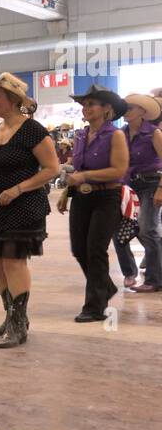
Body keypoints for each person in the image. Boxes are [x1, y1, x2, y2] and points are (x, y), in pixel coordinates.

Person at [0, 73, 59, 348]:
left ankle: (19, 325)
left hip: (24, 206)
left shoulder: (34, 131)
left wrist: (19, 188)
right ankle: (11, 315)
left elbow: (52, 169)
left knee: (13, 260)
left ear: (13, 100)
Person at [57, 85, 130, 322]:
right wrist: (67, 191)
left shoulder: (115, 135)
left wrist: (85, 177)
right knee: (79, 249)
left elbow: (118, 170)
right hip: (81, 197)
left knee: (95, 250)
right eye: (84, 104)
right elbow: (77, 170)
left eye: (91, 104)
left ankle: (94, 306)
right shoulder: (80, 135)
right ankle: (105, 286)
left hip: (107, 198)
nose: (86, 108)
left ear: (106, 108)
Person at [113, 94, 162, 292]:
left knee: (146, 229)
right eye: (125, 107)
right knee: (118, 231)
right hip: (127, 186)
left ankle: (154, 279)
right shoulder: (120, 134)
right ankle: (129, 273)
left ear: (143, 111)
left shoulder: (154, 134)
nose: (127, 111)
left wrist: (161, 188)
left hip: (151, 184)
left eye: (131, 107)